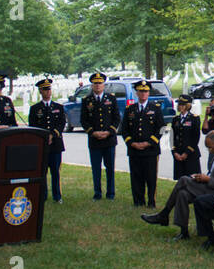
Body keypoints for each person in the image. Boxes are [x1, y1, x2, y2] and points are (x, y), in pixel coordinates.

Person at [143, 130, 214, 239]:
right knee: (183, 194)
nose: (210, 150)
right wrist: (201, 177)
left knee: (184, 180)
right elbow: (212, 173)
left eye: (211, 147)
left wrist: (208, 179)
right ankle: (184, 231)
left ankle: (164, 214)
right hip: (207, 187)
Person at [122, 80, 164, 208]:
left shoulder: (155, 109)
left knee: (151, 177)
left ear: (149, 93)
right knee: (136, 177)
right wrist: (132, 143)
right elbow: (124, 129)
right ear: (136, 93)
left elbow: (161, 128)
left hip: (150, 150)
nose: (143, 94)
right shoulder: (130, 109)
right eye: (141, 91)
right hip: (134, 149)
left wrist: (149, 142)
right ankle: (138, 201)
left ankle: (151, 201)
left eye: (145, 91)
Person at [79, 72, 120, 200]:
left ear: (104, 85)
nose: (97, 85)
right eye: (95, 83)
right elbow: (83, 120)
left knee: (110, 168)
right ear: (92, 85)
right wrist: (93, 132)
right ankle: (97, 193)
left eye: (100, 83)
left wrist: (109, 132)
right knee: (96, 169)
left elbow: (116, 118)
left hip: (109, 140)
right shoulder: (87, 100)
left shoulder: (111, 99)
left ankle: (111, 193)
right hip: (94, 140)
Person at [27, 77, 67, 203]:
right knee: (42, 172)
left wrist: (53, 135)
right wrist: (43, 137)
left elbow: (61, 123)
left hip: (55, 145)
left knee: (55, 172)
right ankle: (42, 195)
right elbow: (33, 125)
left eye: (49, 89)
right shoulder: (35, 109)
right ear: (40, 91)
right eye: (45, 90)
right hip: (42, 145)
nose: (47, 92)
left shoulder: (58, 107)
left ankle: (57, 196)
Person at [170, 95, 201, 180]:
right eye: (179, 104)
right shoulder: (175, 119)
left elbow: (196, 138)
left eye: (183, 104)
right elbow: (172, 137)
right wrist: (174, 152)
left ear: (188, 106)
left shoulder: (194, 118)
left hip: (190, 154)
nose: (180, 106)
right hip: (178, 154)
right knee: (180, 180)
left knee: (192, 180)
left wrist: (187, 152)